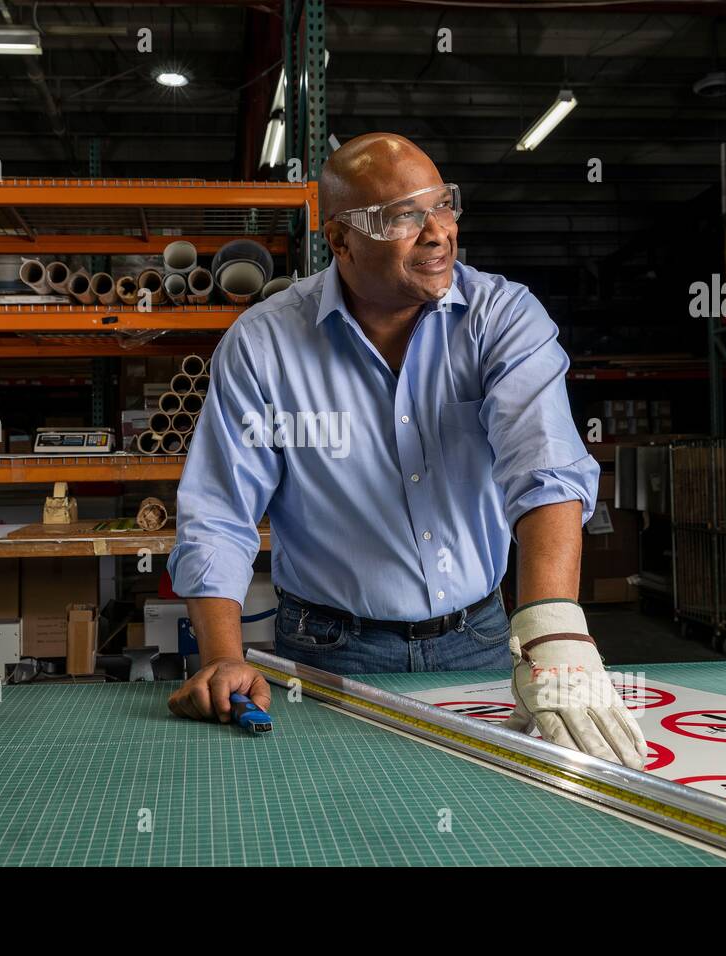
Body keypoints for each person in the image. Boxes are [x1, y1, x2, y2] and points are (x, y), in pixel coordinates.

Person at [165, 133, 646, 769]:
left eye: (442, 205)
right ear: (340, 241)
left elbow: (546, 467)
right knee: (329, 820)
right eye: (403, 216)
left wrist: (552, 632)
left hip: (481, 636)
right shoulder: (266, 344)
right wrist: (225, 655)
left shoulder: (500, 317)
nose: (437, 232)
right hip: (328, 649)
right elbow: (220, 513)